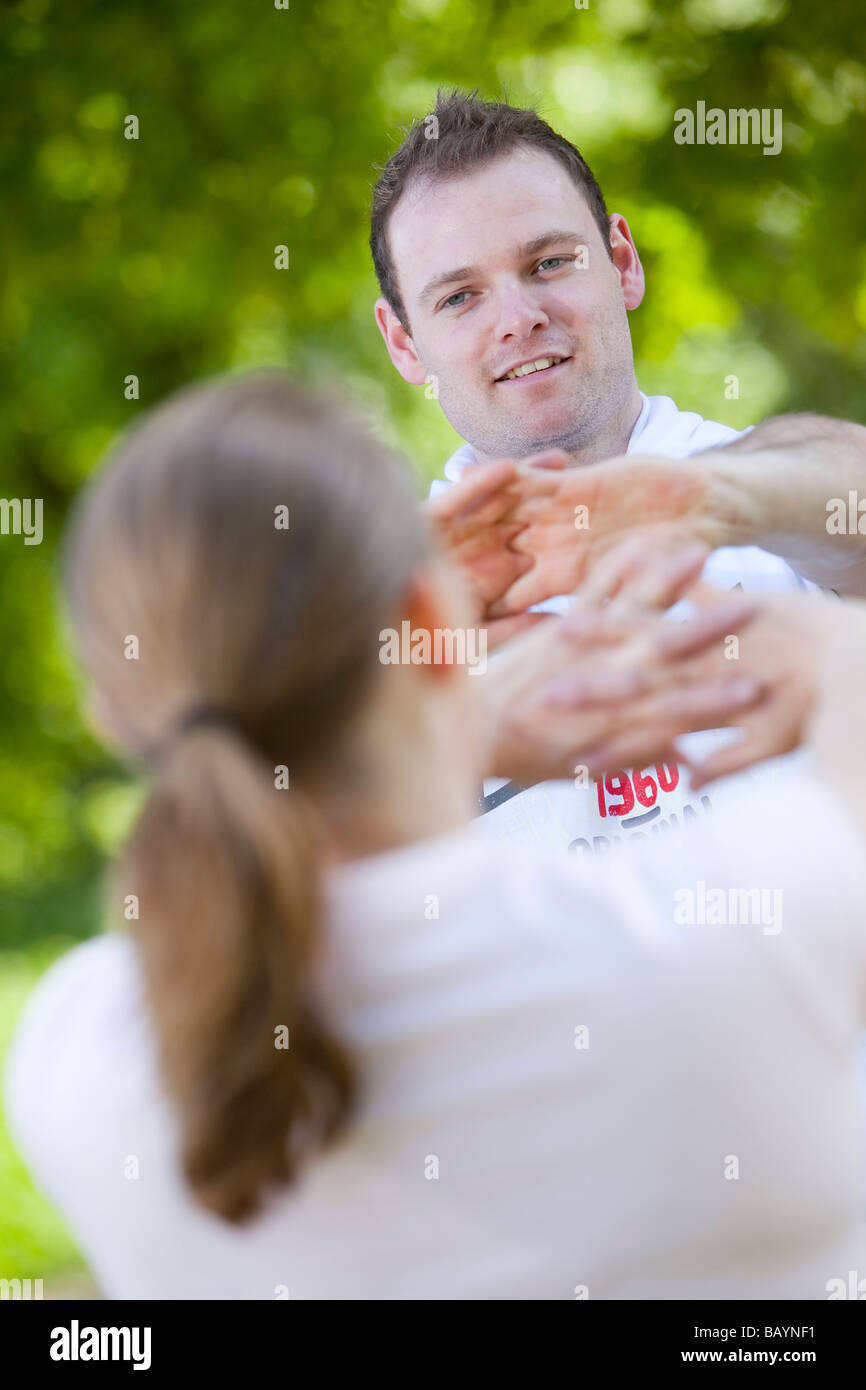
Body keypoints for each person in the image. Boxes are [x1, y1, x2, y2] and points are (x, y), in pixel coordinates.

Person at [4, 370, 866, 1300]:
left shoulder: (77, 1061)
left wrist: (442, 706)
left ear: (112, 714)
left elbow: (269, 765)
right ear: (424, 616)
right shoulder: (731, 949)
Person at [371, 91, 866, 849]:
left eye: (549, 262)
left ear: (623, 264)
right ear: (404, 345)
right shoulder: (395, 610)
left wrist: (703, 500)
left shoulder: (768, 489)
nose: (519, 316)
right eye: (461, 296)